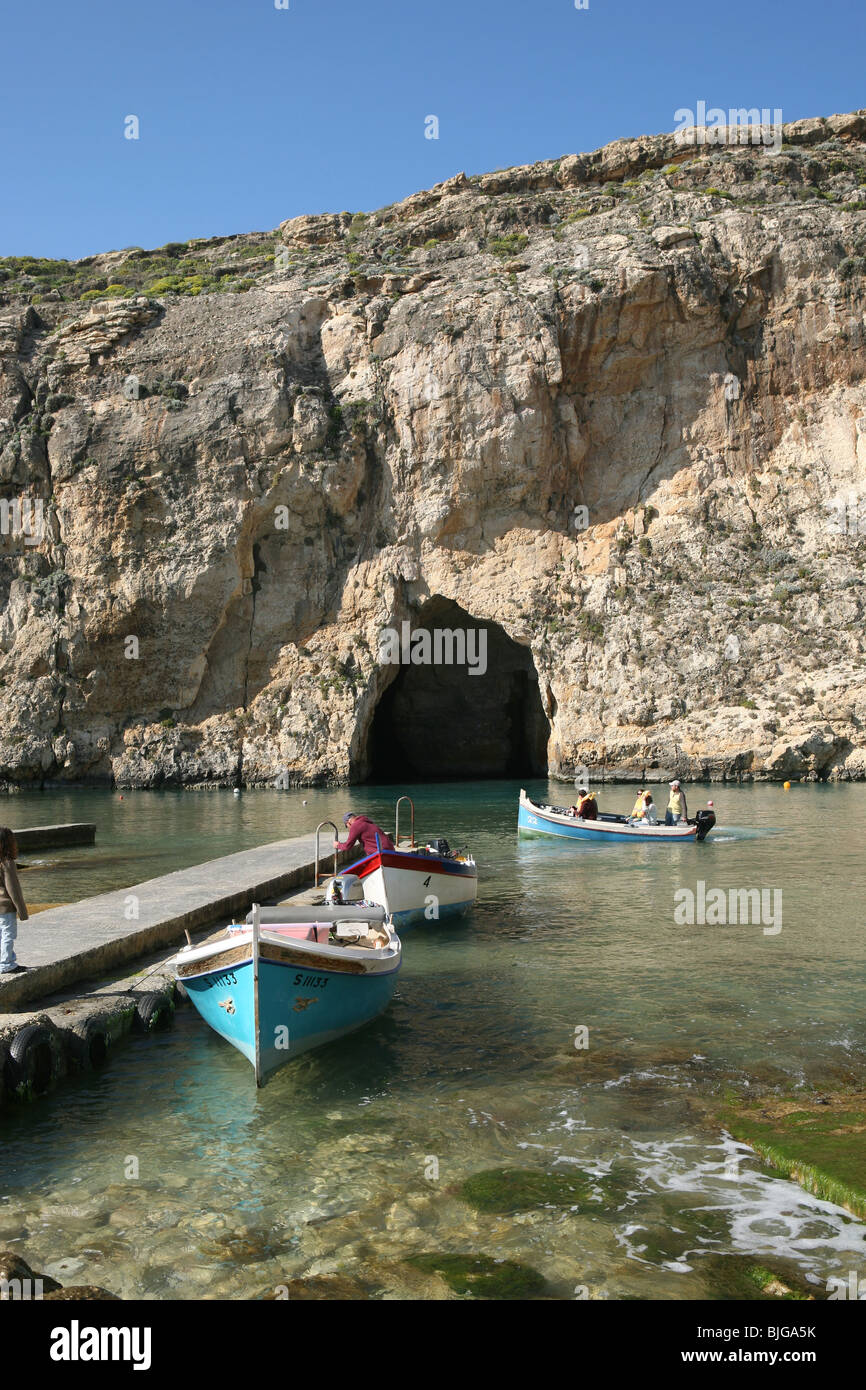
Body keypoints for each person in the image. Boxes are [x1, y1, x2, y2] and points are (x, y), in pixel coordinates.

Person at [0, 827, 29, 976]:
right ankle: (6, 964)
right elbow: (13, 889)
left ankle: (8, 960)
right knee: (8, 934)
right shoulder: (7, 863)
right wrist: (22, 911)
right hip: (5, 906)